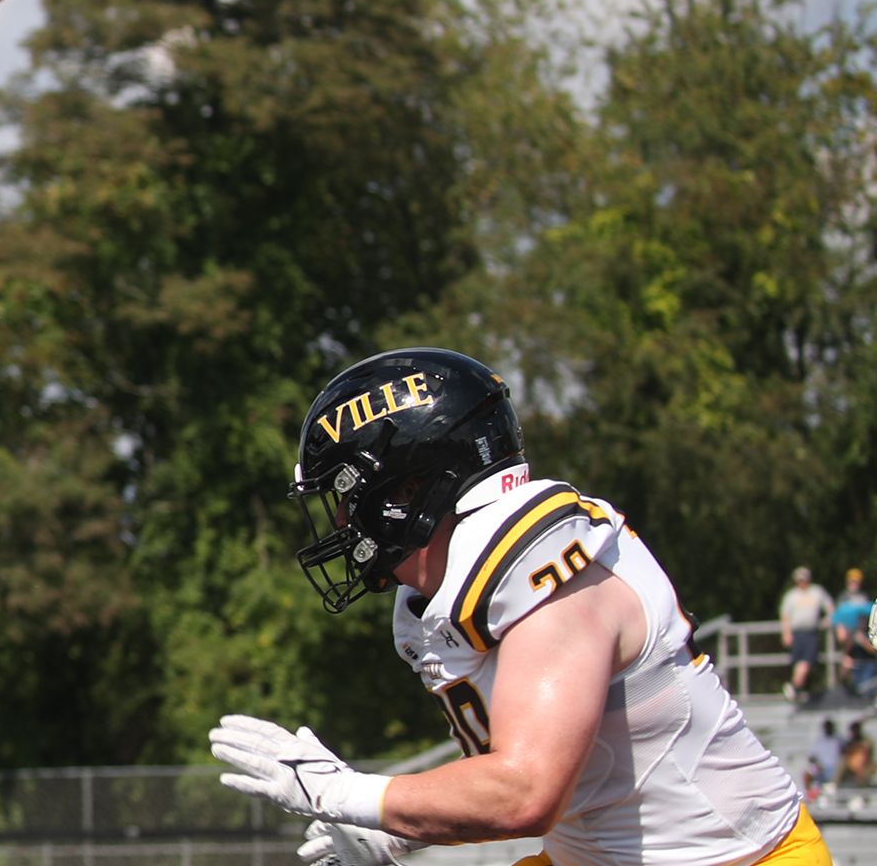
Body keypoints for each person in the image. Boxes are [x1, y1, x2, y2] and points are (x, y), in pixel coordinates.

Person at [207, 348, 825, 866]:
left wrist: (349, 795)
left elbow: (526, 791)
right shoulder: (441, 595)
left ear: (410, 487)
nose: (340, 522)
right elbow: (535, 746)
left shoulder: (545, 574)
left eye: (345, 494)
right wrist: (397, 826)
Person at [782, 567, 833, 702]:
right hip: (798, 633)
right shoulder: (792, 596)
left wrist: (828, 619)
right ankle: (796, 689)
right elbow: (785, 616)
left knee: (806, 663)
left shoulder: (817, 592)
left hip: (811, 632)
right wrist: (786, 633)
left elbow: (829, 606)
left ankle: (795, 688)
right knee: (800, 663)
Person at [832, 569, 875, 697]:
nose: (854, 584)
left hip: (861, 635)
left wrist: (863, 636)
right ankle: (842, 686)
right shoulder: (843, 598)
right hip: (849, 633)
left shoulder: (864, 596)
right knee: (847, 660)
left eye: (857, 581)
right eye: (852, 581)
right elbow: (838, 617)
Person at [808, 718, 843, 795]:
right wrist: (818, 765)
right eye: (827, 727)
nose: (828, 729)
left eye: (830, 727)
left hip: (836, 770)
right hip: (822, 770)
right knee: (808, 773)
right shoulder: (819, 741)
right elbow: (812, 757)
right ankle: (812, 795)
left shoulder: (839, 740)